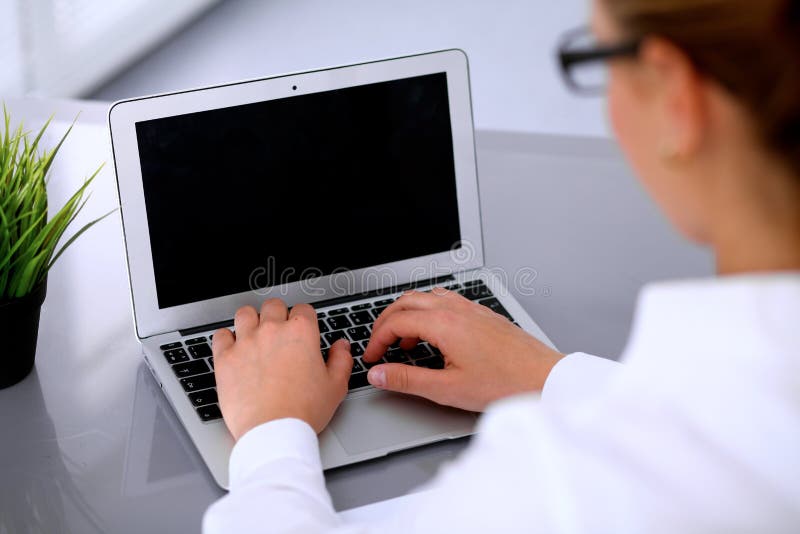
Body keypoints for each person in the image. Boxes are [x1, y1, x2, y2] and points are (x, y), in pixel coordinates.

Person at [204, 0, 800, 531]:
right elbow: (719, 427)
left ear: (677, 97)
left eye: (600, 58)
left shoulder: (562, 487)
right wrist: (553, 377)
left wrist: (271, 433)